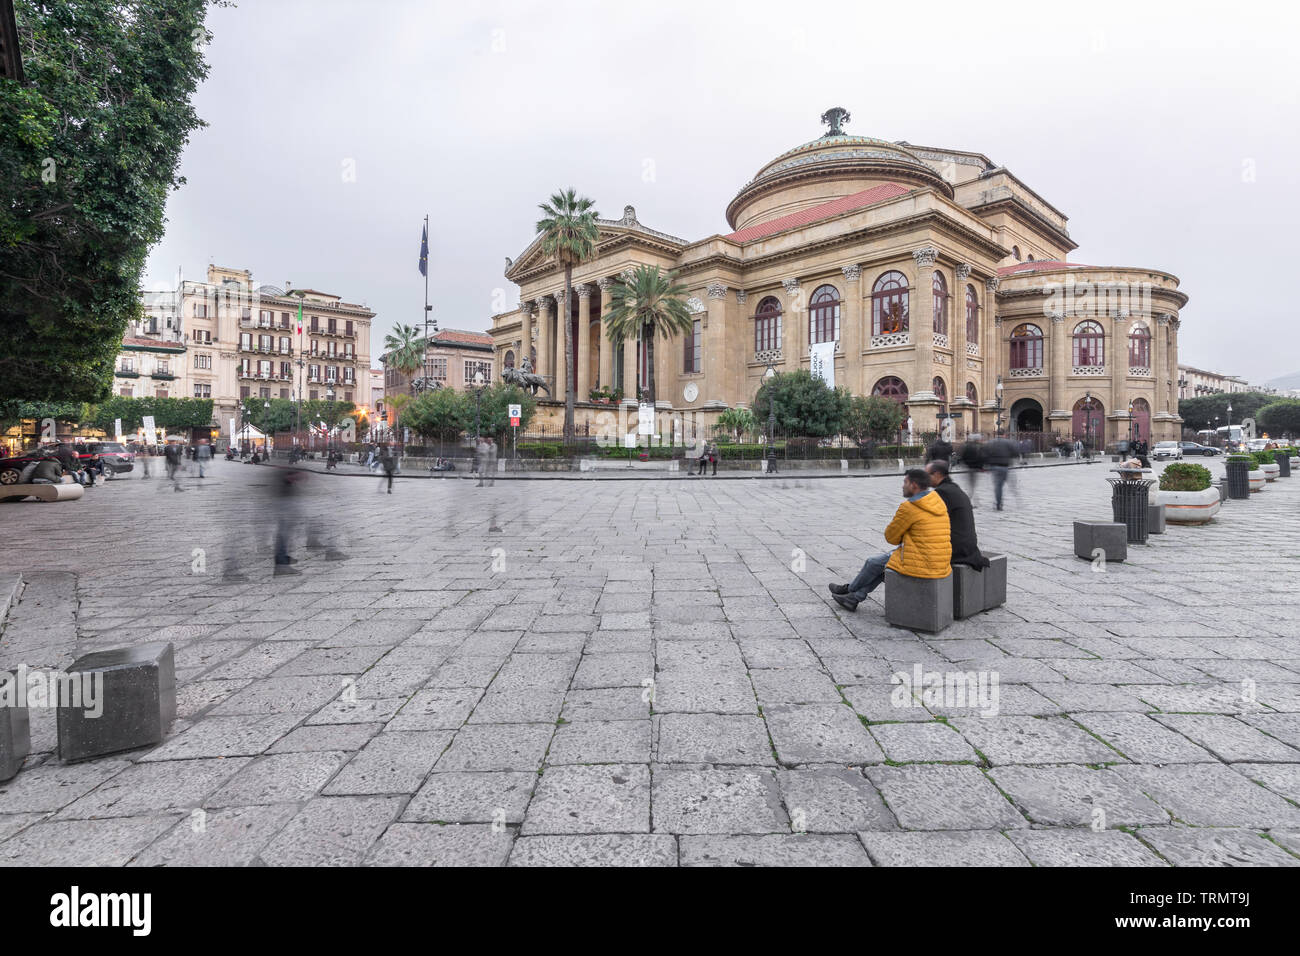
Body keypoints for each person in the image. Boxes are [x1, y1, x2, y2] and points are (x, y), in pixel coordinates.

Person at [828, 468, 952, 612]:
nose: (902, 485)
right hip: (940, 561)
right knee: (885, 564)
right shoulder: (937, 502)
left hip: (922, 562)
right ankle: (853, 598)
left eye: (905, 482)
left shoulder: (910, 507)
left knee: (873, 563)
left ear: (914, 485)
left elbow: (891, 537)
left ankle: (850, 589)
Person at [925, 459, 989, 570]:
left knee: (892, 559)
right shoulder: (954, 489)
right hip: (968, 549)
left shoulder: (941, 493)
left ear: (937, 474)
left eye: (926, 474)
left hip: (956, 551)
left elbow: (928, 524)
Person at [981, 433, 1016, 511]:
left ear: (996, 434)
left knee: (998, 486)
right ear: (1004, 434)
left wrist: (986, 465)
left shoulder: (990, 443)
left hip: (994, 467)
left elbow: (984, 454)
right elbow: (1015, 453)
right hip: (1005, 466)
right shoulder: (1008, 443)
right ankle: (1001, 502)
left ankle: (998, 503)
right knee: (1002, 485)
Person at [960, 436, 983, 504]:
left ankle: (974, 500)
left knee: (971, 485)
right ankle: (970, 500)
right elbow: (981, 458)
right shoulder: (978, 447)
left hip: (969, 467)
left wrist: (966, 464)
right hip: (975, 468)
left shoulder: (967, 447)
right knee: (972, 485)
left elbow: (963, 457)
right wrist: (980, 467)